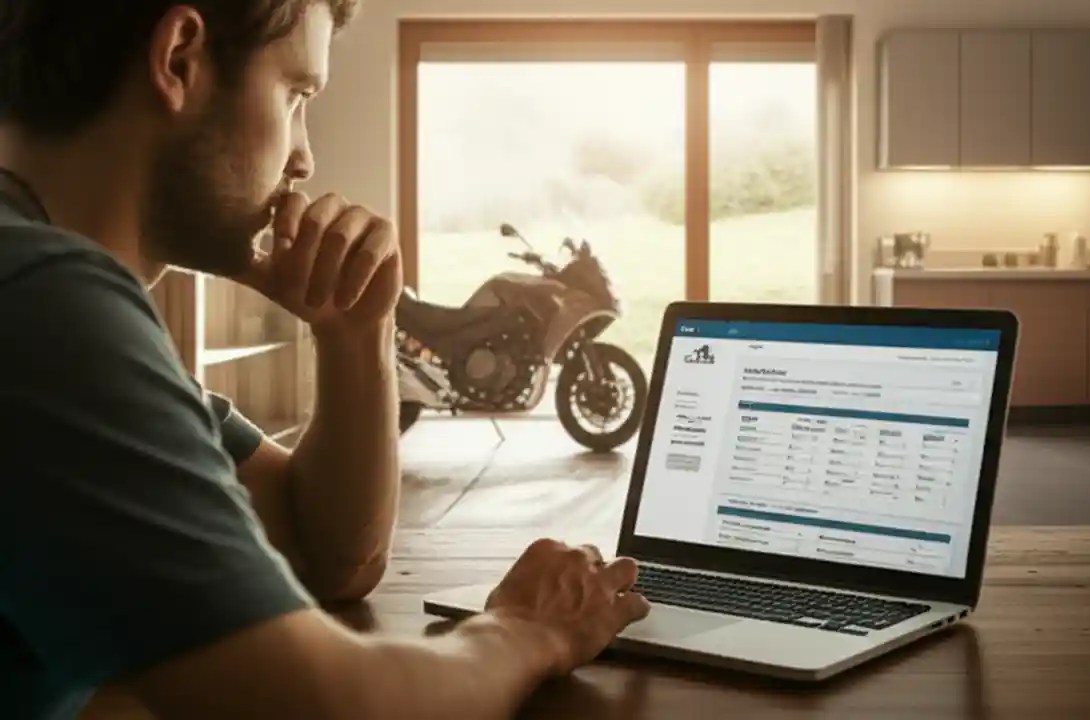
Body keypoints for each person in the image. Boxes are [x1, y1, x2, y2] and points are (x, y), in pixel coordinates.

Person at [0, 1, 650, 718]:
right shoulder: (41, 297)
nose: (304, 156)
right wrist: (524, 631)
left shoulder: (42, 292)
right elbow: (335, 706)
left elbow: (331, 555)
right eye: (297, 95)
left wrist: (354, 331)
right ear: (180, 58)